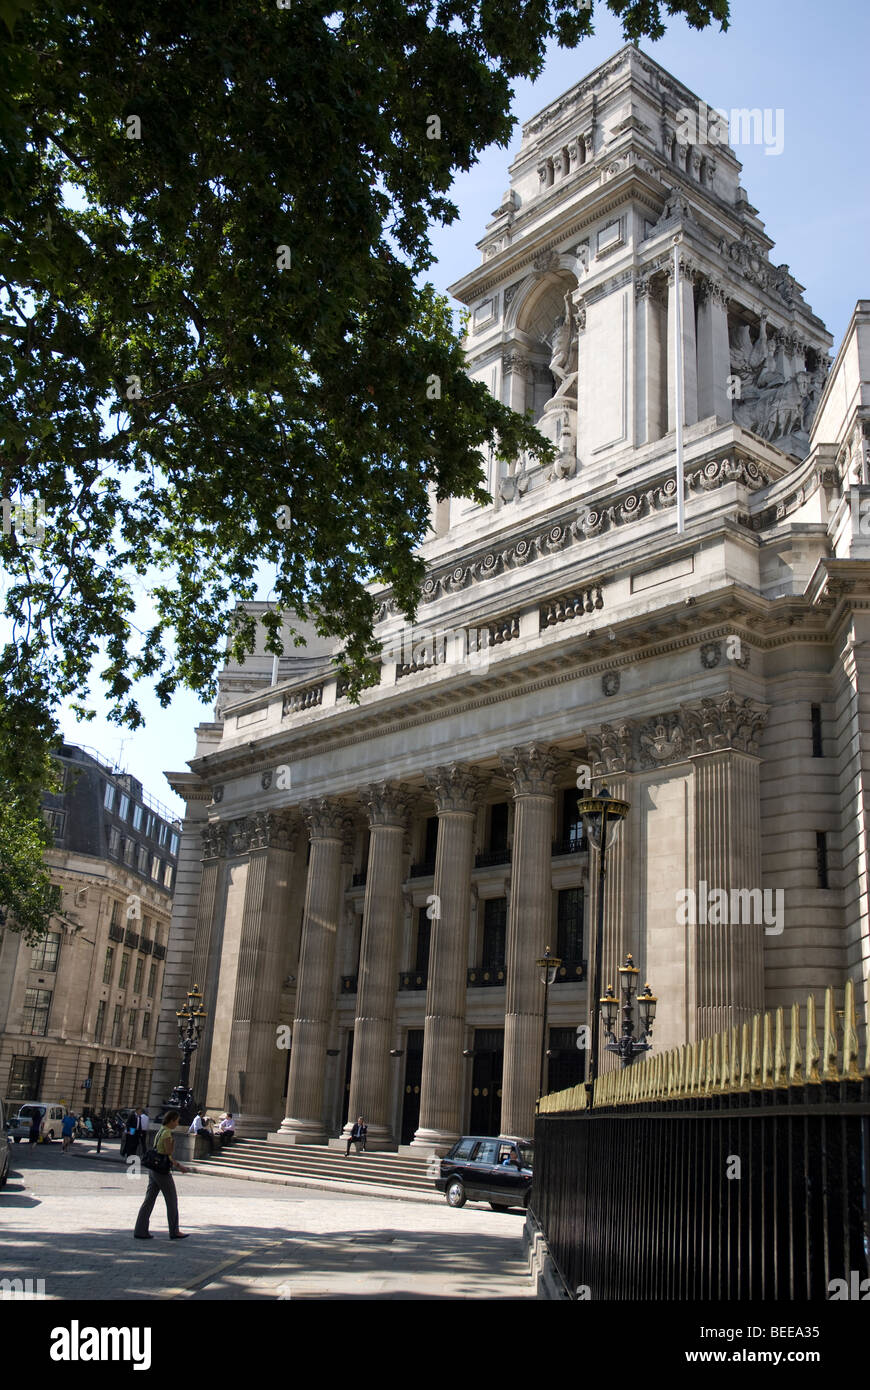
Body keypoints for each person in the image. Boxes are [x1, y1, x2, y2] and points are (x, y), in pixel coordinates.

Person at [133, 1109, 189, 1241]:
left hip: (153, 1170)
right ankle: (174, 1231)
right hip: (162, 1171)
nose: (177, 1123)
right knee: (172, 1200)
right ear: (171, 1120)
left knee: (149, 1200)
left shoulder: (161, 1130)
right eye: (176, 1121)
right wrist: (180, 1166)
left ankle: (140, 1230)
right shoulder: (167, 1134)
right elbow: (168, 1153)